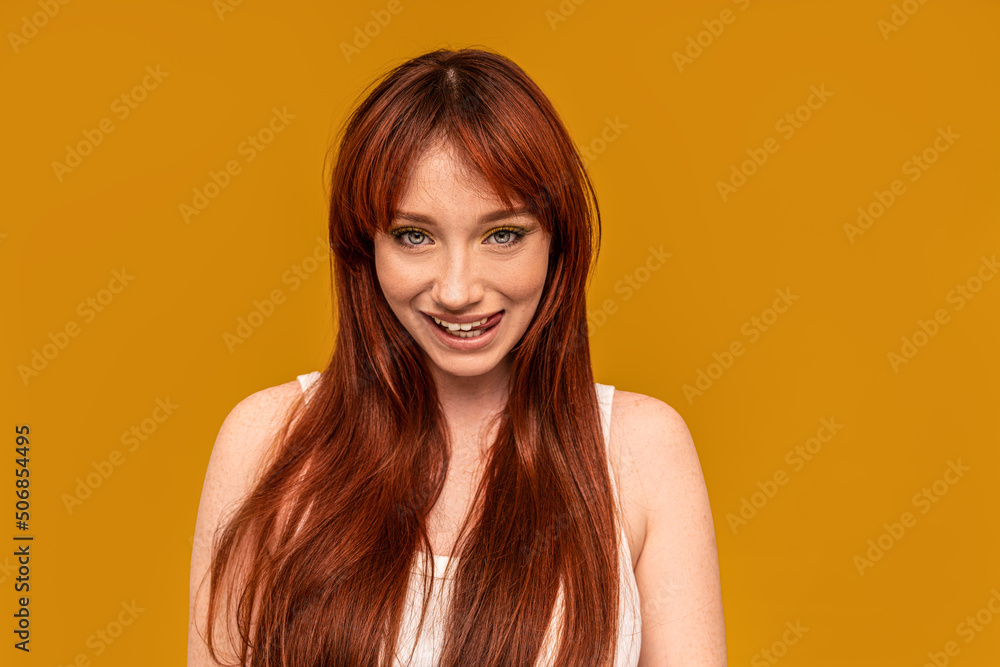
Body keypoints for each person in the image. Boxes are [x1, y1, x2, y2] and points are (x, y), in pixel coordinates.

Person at [188, 47, 726, 666]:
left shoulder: (643, 453)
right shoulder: (266, 442)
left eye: (503, 235)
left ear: (559, 243)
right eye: (414, 236)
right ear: (366, 248)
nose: (457, 289)